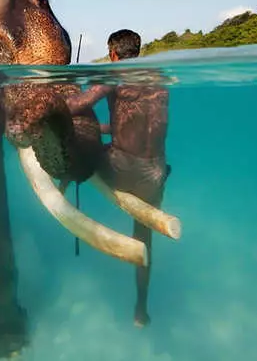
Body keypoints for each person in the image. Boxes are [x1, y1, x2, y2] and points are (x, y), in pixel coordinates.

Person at [66, 29, 171, 328]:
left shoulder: (113, 74)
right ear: (137, 50)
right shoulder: (158, 79)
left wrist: (55, 105)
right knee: (144, 239)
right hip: (156, 174)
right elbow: (127, 124)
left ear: (112, 53)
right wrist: (98, 127)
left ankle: (66, 174)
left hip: (123, 171)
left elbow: (76, 105)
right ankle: (141, 309)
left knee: (81, 146)